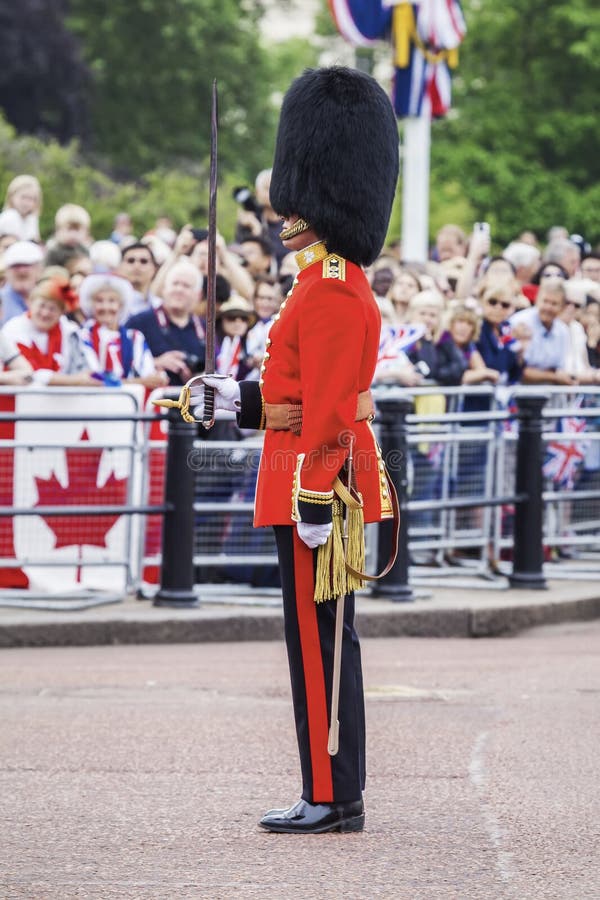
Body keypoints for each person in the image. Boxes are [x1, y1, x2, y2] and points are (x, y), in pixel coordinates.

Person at [191, 66, 399, 834]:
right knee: (313, 639)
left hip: (320, 487)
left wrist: (315, 489)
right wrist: (231, 399)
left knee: (319, 645)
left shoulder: (335, 286)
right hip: (303, 476)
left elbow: (335, 409)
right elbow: (293, 395)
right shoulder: (313, 284)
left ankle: (331, 792)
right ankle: (330, 785)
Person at [78, 273, 167, 389]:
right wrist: (140, 382)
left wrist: (158, 378)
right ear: (91, 304)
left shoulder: (135, 337)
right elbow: (95, 379)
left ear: (120, 305)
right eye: (99, 301)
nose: (106, 307)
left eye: (112, 301)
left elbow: (148, 374)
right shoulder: (83, 336)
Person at [2, 276, 96, 386]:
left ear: (62, 312)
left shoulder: (70, 331)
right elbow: (30, 376)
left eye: (52, 309)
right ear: (31, 303)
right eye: (42, 306)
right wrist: (74, 380)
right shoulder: (13, 329)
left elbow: (87, 369)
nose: (45, 313)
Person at [126, 259, 205, 386]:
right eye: (175, 284)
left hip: (195, 402)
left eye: (186, 286)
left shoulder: (205, 328)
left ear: (198, 295)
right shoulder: (139, 322)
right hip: (152, 401)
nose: (179, 289)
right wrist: (154, 363)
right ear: (163, 289)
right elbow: (121, 364)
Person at [510, 277, 574, 385]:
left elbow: (559, 369)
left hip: (549, 395)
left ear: (562, 307)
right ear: (537, 300)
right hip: (519, 393)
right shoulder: (520, 322)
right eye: (545, 301)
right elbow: (518, 370)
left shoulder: (562, 331)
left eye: (554, 304)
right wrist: (553, 377)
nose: (548, 307)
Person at [0, 240, 44, 324]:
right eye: (15, 266)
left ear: (39, 269)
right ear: (6, 271)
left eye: (27, 265)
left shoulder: (50, 299)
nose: (21, 271)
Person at [119, 241, 161, 314]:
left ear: (155, 269)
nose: (137, 266)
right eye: (131, 261)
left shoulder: (160, 306)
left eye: (143, 261)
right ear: (119, 267)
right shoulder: (111, 306)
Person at [0, 175, 42, 242]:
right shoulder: (9, 216)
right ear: (12, 196)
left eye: (31, 199)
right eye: (23, 197)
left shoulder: (32, 219)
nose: (26, 203)